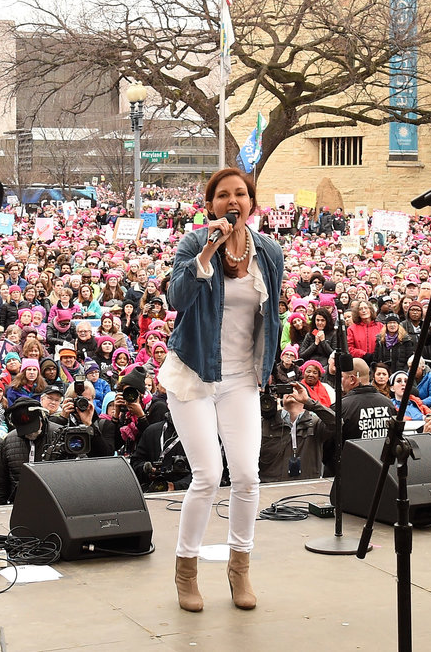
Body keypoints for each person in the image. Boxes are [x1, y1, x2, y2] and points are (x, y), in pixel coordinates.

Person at [157, 168, 283, 612]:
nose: (233, 201)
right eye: (223, 195)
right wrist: (207, 252)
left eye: (240, 194)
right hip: (194, 374)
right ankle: (186, 571)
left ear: (251, 202)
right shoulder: (193, 243)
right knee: (208, 476)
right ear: (210, 204)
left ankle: (239, 567)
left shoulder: (269, 251)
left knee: (247, 476)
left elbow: (272, 315)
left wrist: (266, 367)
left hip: (241, 378)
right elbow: (177, 299)